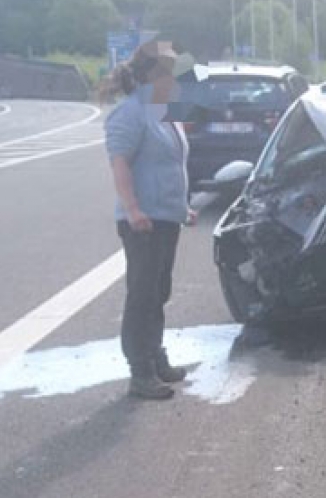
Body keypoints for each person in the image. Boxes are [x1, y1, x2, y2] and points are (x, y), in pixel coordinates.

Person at [103, 41, 196, 399]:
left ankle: (155, 358)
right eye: (170, 71)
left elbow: (170, 166)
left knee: (158, 292)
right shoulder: (131, 113)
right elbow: (120, 163)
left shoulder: (162, 113)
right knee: (142, 296)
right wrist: (132, 208)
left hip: (165, 218)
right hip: (142, 222)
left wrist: (182, 207)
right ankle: (140, 371)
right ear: (152, 75)